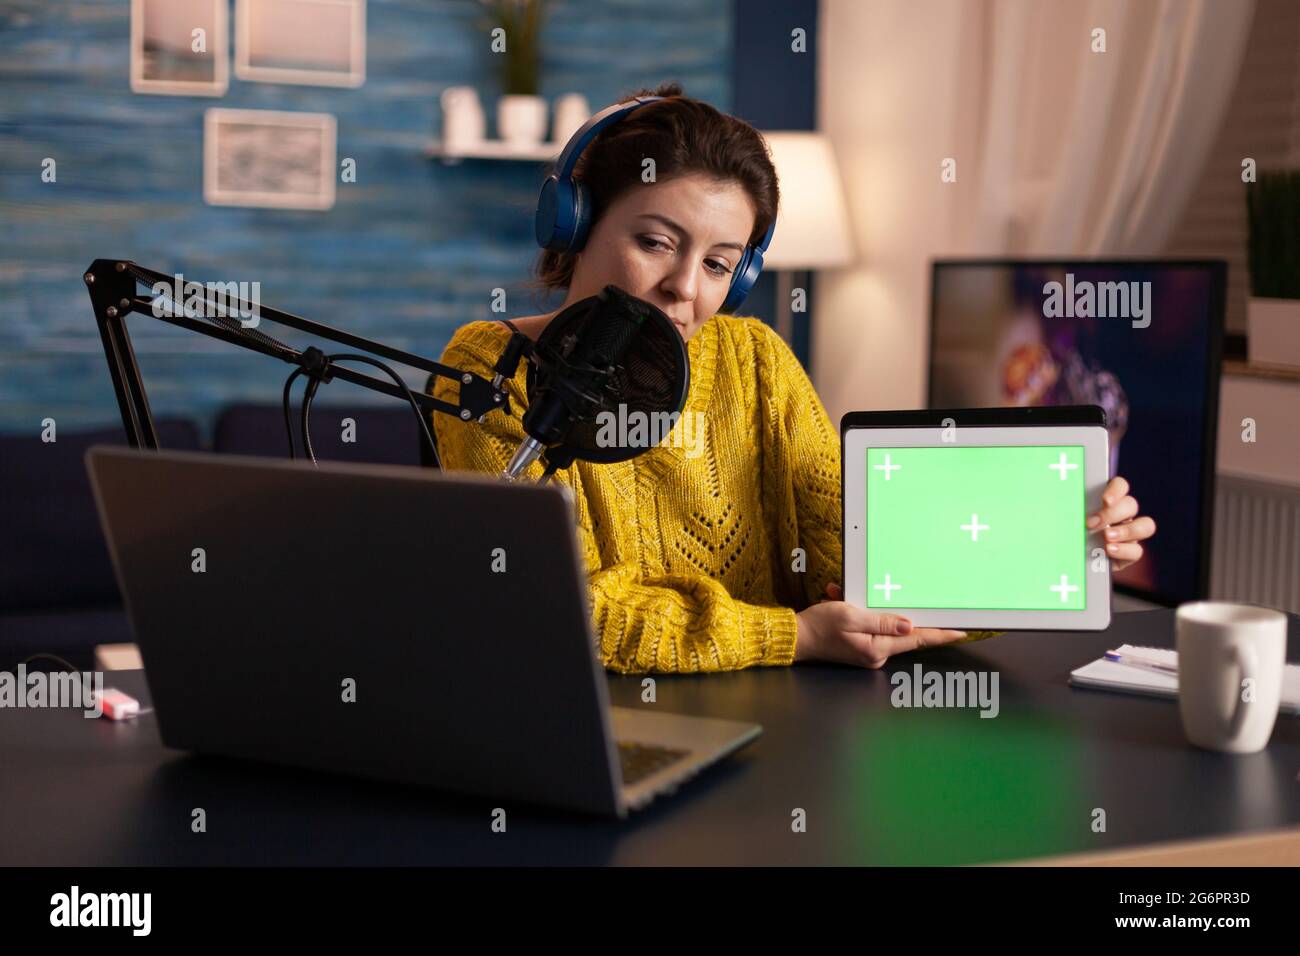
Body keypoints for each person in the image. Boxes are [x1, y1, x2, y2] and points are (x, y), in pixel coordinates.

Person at [430, 83, 1156, 673]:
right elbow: (549, 607)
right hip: (595, 730)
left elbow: (862, 567)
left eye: (718, 263)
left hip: (783, 734)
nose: (685, 287)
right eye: (655, 242)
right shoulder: (487, 367)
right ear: (575, 223)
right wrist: (795, 637)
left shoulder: (754, 357)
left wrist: (1046, 546)